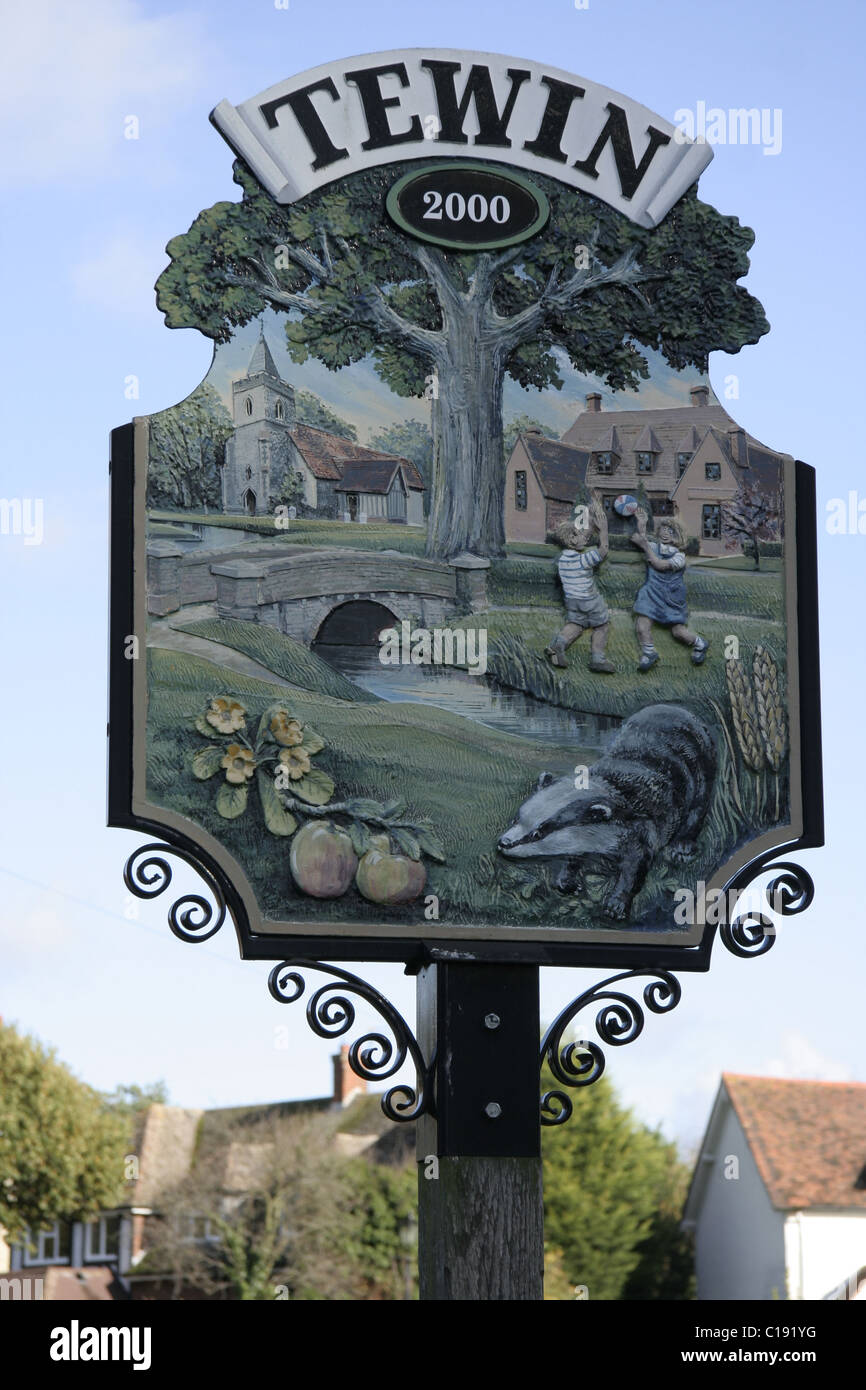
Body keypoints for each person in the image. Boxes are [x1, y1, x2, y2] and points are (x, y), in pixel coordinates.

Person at [545, 494, 615, 674]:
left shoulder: (563, 559)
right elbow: (603, 550)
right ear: (571, 540)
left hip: (572, 600)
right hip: (589, 600)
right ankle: (598, 659)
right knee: (602, 625)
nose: (583, 536)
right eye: (578, 534)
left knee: (576, 625)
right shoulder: (583, 559)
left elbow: (582, 538)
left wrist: (591, 524)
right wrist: (604, 530)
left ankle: (558, 645)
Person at [630, 510, 708, 671]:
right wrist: (642, 523)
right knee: (642, 624)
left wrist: (645, 546)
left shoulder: (679, 557)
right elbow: (642, 539)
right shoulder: (654, 547)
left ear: (678, 536)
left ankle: (700, 644)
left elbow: (659, 565)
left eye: (670, 530)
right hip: (651, 594)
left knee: (678, 632)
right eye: (663, 529)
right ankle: (649, 652)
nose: (665, 532)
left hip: (670, 597)